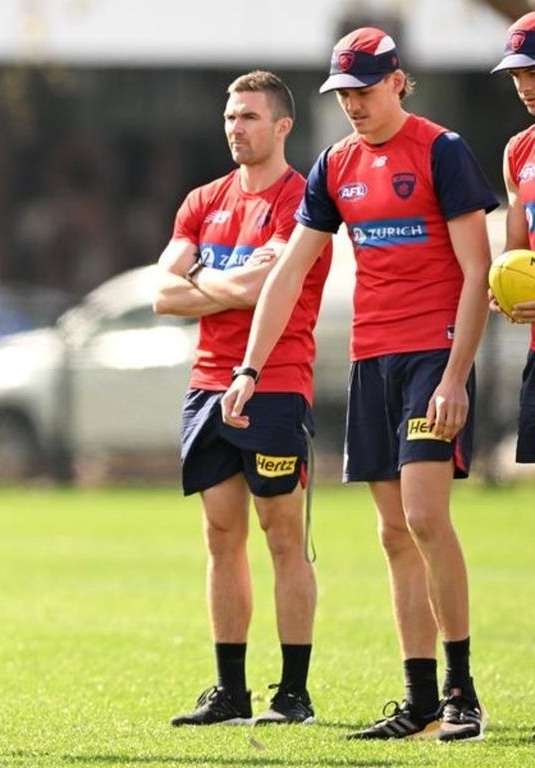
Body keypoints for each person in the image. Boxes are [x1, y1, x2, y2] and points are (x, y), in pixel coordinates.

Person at [220, 27, 497, 742]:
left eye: (364, 90)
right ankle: (421, 698)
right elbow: (289, 272)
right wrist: (250, 365)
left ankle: (464, 692)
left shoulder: (443, 151)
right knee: (393, 533)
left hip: (432, 357)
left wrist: (458, 375)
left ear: (397, 82)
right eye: (342, 93)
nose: (353, 105)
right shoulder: (335, 164)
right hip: (372, 360)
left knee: (427, 518)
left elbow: (478, 271)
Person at [152, 71, 332, 727]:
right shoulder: (203, 200)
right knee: (219, 535)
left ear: (282, 126)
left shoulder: (301, 201)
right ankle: (230, 693)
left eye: (250, 117)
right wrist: (233, 281)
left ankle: (294, 694)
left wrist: (204, 276)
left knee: (282, 537)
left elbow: (273, 285)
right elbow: (161, 292)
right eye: (231, 117)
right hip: (205, 387)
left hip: (276, 384)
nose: (236, 128)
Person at [490, 11, 535, 465]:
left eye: (533, 72)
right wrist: (501, 285)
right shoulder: (518, 150)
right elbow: (515, 251)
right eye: (517, 74)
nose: (524, 86)